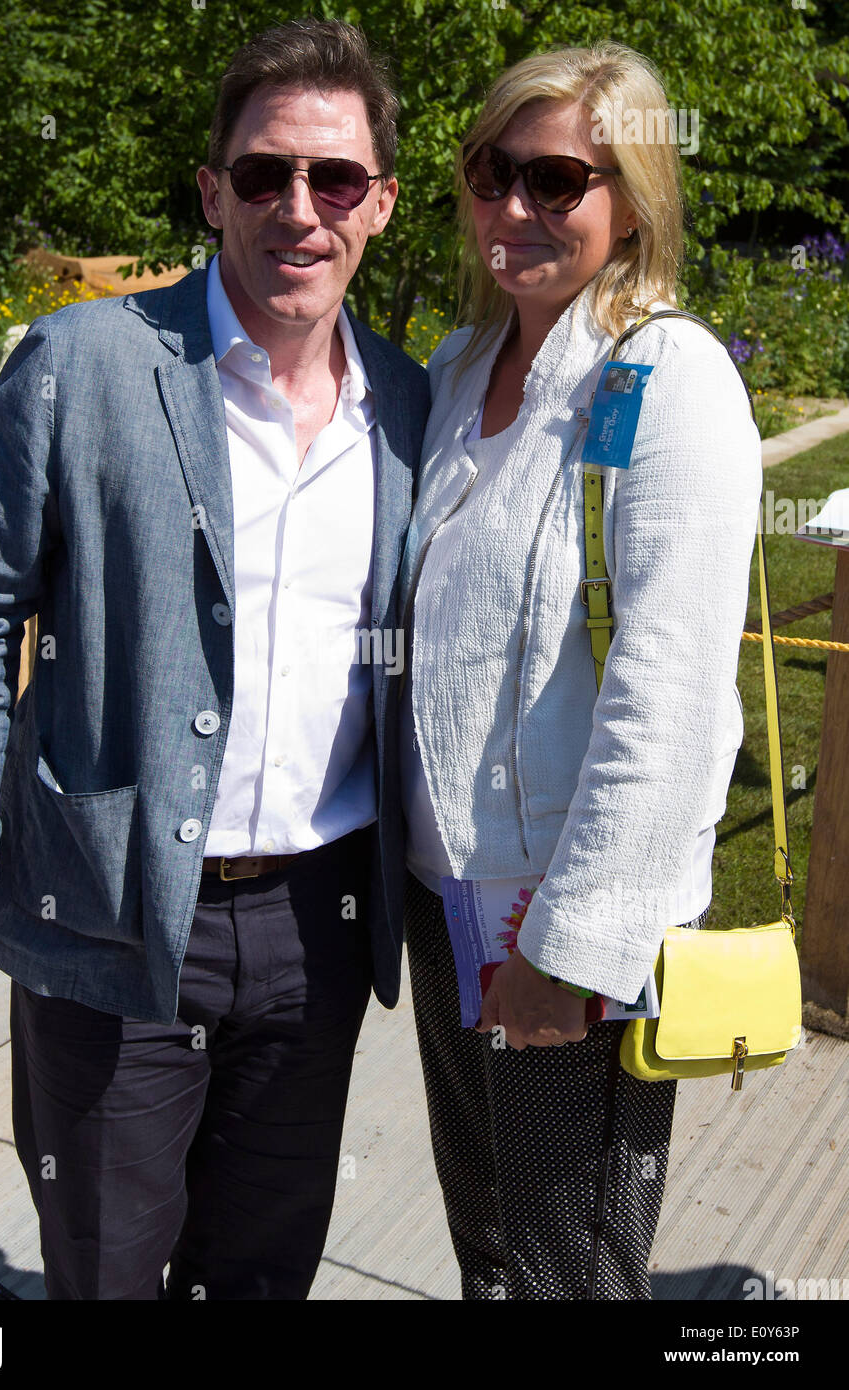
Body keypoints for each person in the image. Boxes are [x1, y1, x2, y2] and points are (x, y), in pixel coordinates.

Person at [0, 17, 429, 1301]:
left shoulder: (408, 406)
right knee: (107, 1268)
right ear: (211, 190)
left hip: (321, 920)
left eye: (334, 178)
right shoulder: (81, 363)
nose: (299, 209)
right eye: (262, 175)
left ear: (381, 203)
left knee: (260, 1269)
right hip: (115, 905)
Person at [400, 41, 761, 1299]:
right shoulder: (457, 372)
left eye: (556, 181)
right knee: (488, 1253)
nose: (514, 209)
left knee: (570, 1276)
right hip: (442, 911)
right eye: (491, 172)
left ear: (632, 198)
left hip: (558, 925)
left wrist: (573, 948)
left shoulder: (668, 380)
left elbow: (665, 696)